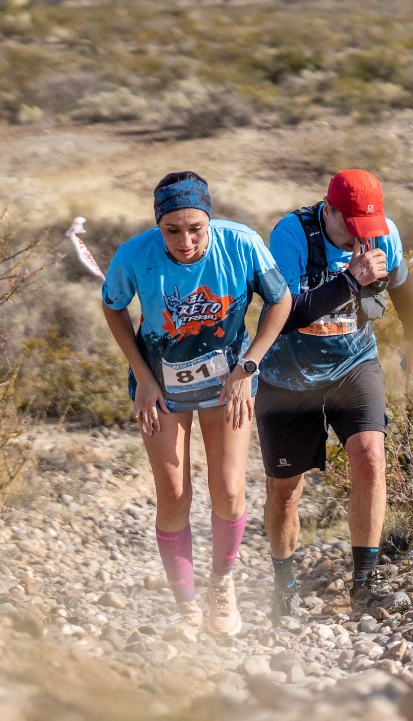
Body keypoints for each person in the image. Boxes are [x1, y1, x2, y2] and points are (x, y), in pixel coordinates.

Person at [101, 171, 292, 639]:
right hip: (162, 388)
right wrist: (143, 378)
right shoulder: (134, 256)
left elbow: (280, 300)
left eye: (195, 229)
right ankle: (186, 607)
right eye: (172, 230)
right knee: (173, 493)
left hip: (228, 384)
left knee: (228, 490)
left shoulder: (242, 244)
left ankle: (220, 588)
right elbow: (112, 305)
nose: (185, 241)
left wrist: (249, 367)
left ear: (210, 221)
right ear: (158, 226)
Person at [255, 169, 413, 620]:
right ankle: (284, 586)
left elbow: (402, 281)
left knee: (371, 456)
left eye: (367, 227)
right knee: (285, 490)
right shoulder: (291, 236)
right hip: (287, 377)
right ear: (328, 209)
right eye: (350, 226)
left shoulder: (382, 233)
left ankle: (365, 586)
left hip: (353, 363)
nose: (361, 236)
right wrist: (349, 280)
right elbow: (286, 315)